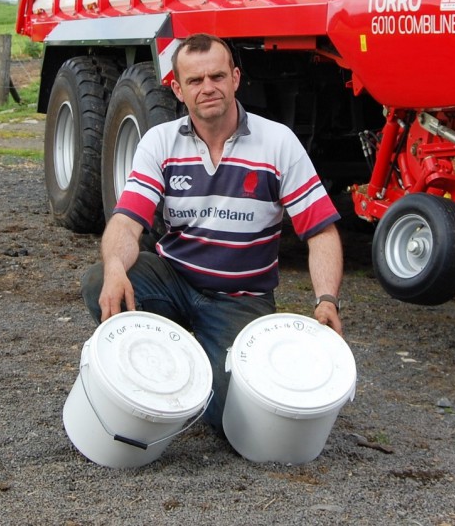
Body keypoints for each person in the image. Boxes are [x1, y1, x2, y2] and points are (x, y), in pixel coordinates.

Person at [81, 33, 344, 433]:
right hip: (174, 281)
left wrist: (327, 299)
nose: (208, 88)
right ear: (177, 89)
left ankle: (210, 361)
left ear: (236, 78)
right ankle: (157, 368)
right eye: (195, 80)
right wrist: (116, 265)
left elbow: (320, 231)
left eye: (217, 76)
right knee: (101, 280)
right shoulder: (160, 142)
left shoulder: (278, 143)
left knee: (233, 420)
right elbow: (126, 221)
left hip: (240, 300)